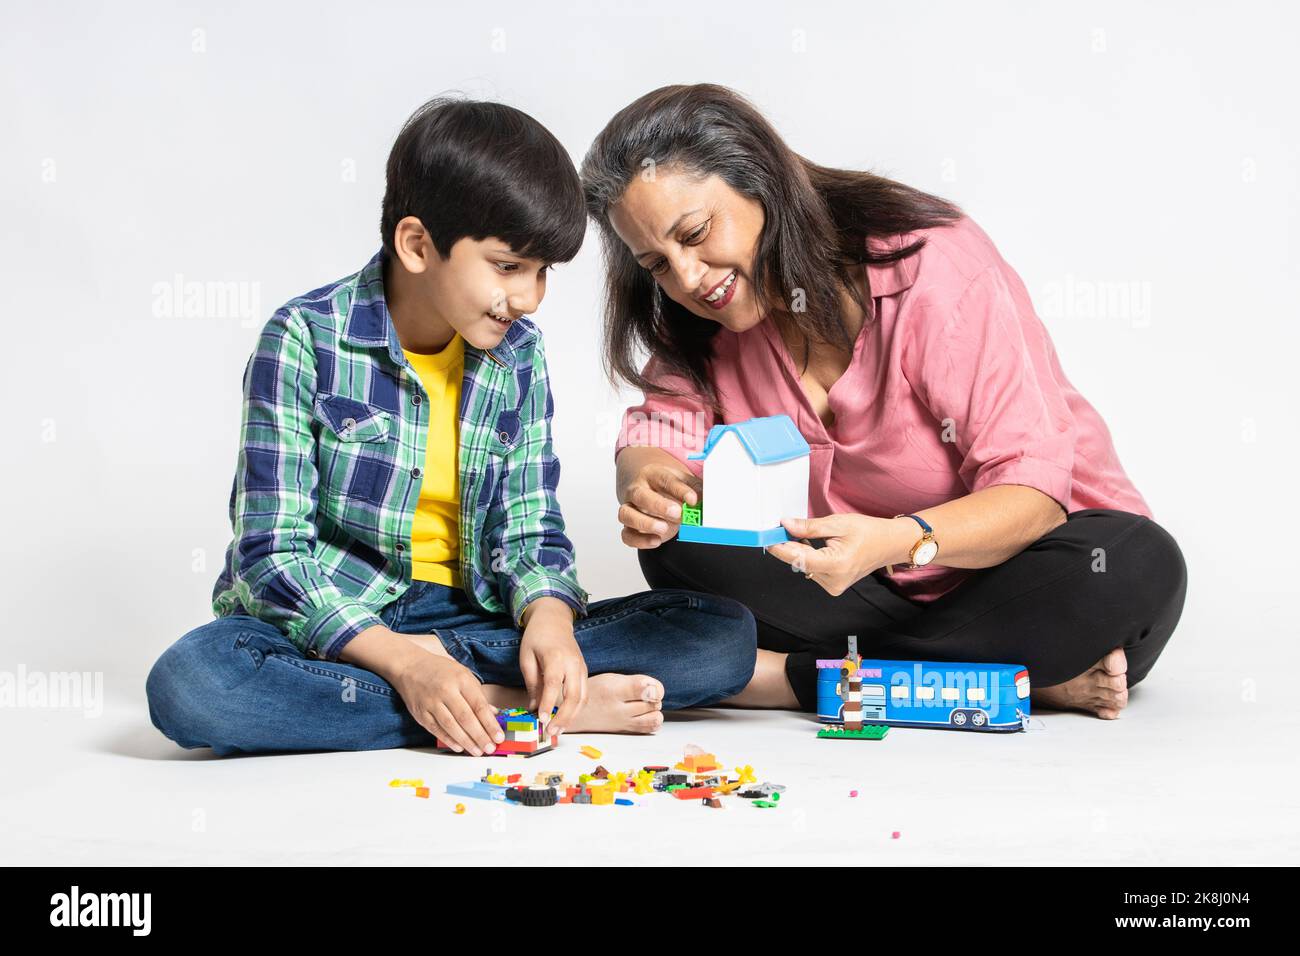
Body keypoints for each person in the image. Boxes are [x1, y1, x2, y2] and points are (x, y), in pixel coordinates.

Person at [145, 96, 756, 757]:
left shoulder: (517, 351)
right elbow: (272, 558)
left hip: (473, 616)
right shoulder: (304, 340)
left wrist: (548, 624)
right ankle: (510, 708)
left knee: (718, 637)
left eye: (543, 272)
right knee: (195, 684)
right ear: (417, 245)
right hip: (339, 620)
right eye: (507, 266)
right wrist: (407, 666)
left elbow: (531, 532)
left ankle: (455, 695)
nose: (528, 298)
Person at [581, 83, 1187, 720]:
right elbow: (660, 429)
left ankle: (789, 680)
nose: (688, 278)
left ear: (760, 180)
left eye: (696, 232)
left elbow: (1034, 497)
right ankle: (1004, 680)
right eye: (656, 263)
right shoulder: (705, 321)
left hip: (1016, 576)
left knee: (1135, 565)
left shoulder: (933, 265)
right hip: (863, 589)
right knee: (681, 544)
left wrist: (898, 540)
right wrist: (649, 483)